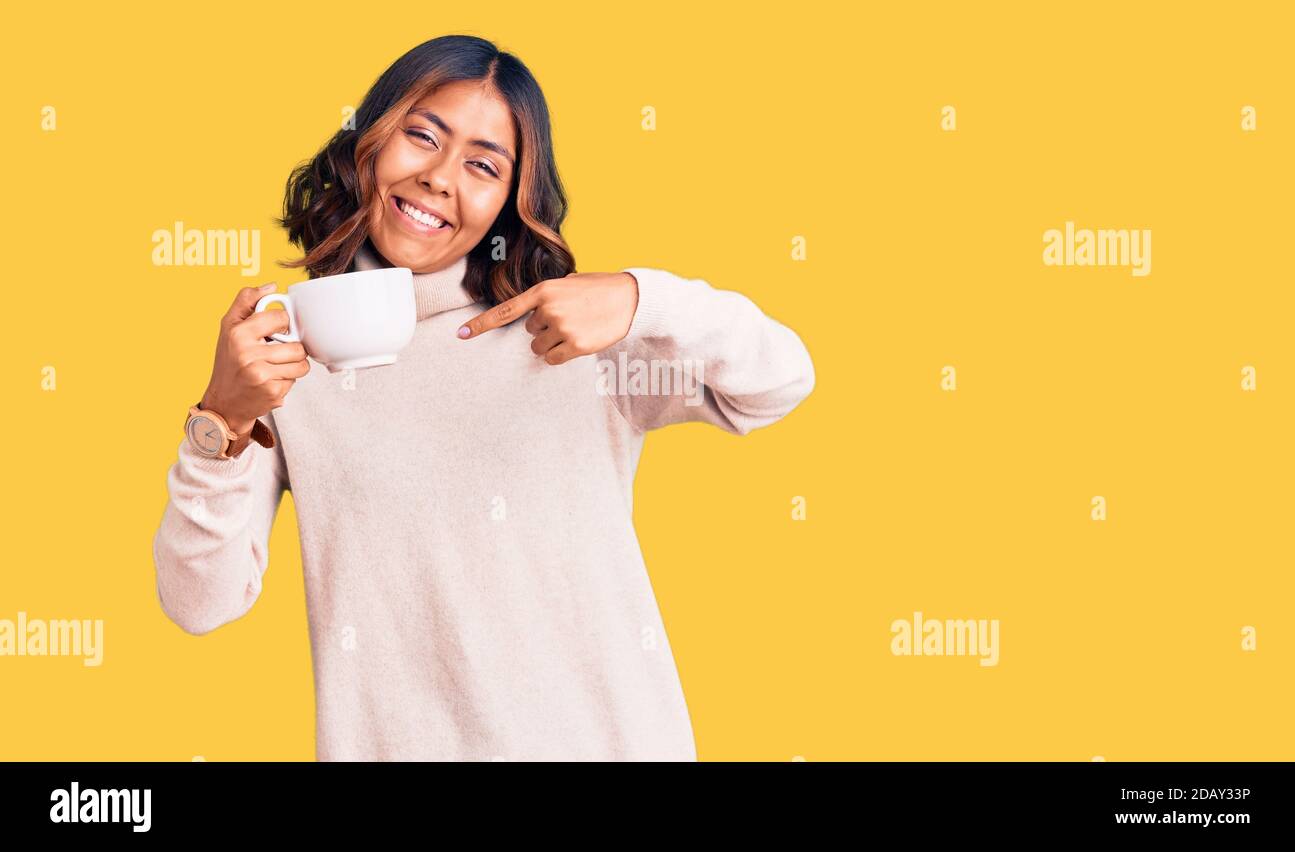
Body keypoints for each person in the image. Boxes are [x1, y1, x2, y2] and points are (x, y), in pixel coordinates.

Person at [153, 34, 815, 761]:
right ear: (367, 145)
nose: (439, 178)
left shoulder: (570, 334)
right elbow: (199, 602)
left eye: (482, 165)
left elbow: (780, 380)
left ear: (510, 201)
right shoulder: (286, 370)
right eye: (421, 136)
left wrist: (639, 299)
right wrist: (219, 420)